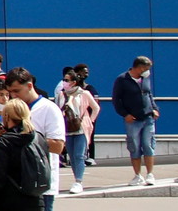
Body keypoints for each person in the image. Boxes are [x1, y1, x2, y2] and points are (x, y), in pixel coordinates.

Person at [8, 68, 66, 211]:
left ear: (29, 85)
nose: (14, 96)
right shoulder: (16, 108)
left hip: (42, 182)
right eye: (10, 92)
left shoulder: (48, 109)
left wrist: (28, 137)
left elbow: (58, 145)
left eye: (17, 91)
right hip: (18, 183)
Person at [111, 56, 160, 186]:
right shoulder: (122, 80)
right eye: (146, 68)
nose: (148, 71)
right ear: (139, 67)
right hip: (132, 120)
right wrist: (125, 114)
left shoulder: (145, 79)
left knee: (148, 145)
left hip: (148, 117)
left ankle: (150, 174)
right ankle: (137, 175)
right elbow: (116, 100)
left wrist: (154, 108)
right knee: (135, 146)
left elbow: (148, 94)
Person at [57, 69, 99, 193]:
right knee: (72, 156)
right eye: (64, 80)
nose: (64, 82)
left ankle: (78, 181)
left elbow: (95, 108)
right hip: (68, 128)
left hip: (81, 127)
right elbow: (59, 110)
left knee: (79, 155)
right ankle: (76, 178)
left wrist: (90, 121)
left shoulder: (84, 93)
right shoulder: (61, 95)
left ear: (74, 82)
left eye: (67, 80)